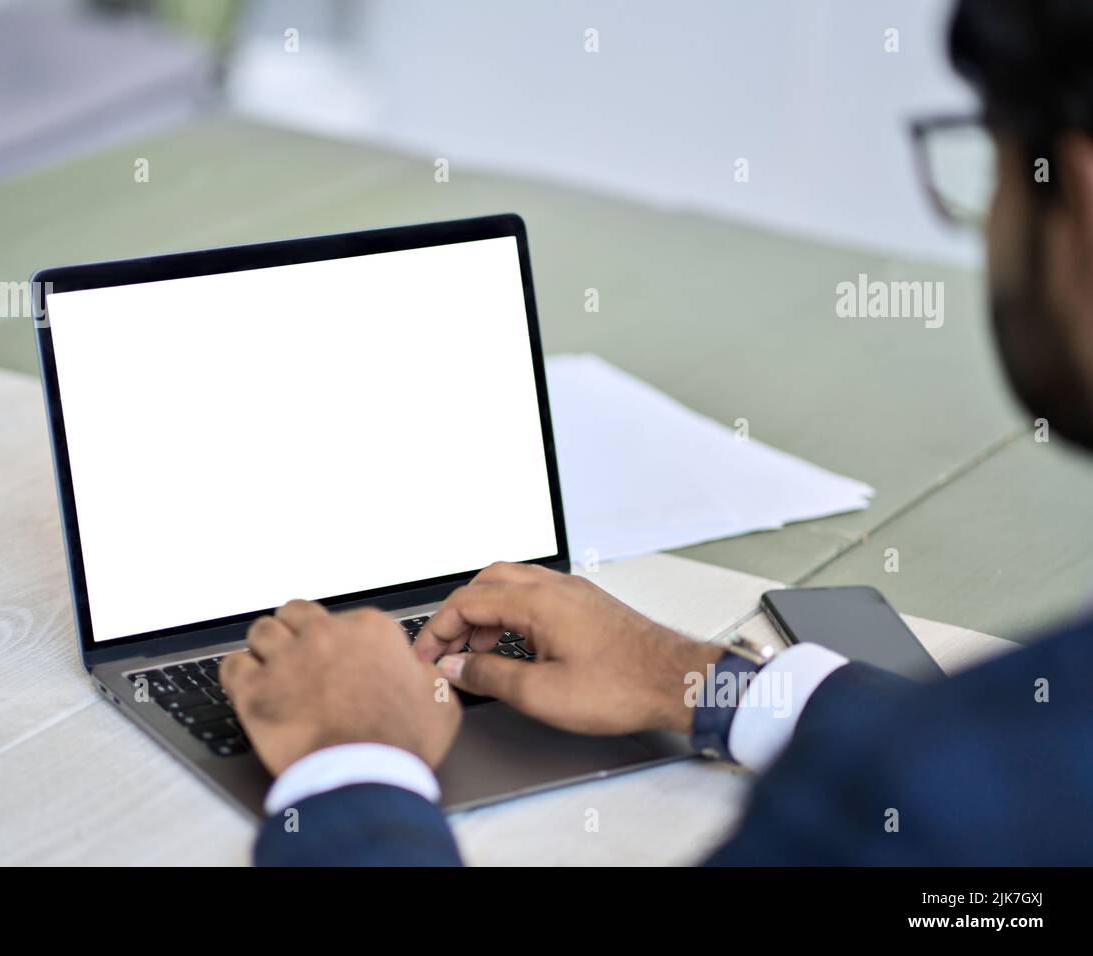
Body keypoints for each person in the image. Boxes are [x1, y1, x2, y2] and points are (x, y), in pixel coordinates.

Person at [220, 0, 1093, 866]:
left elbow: (959, 781)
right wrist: (709, 683)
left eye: (995, 170)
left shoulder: (909, 812)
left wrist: (353, 765)